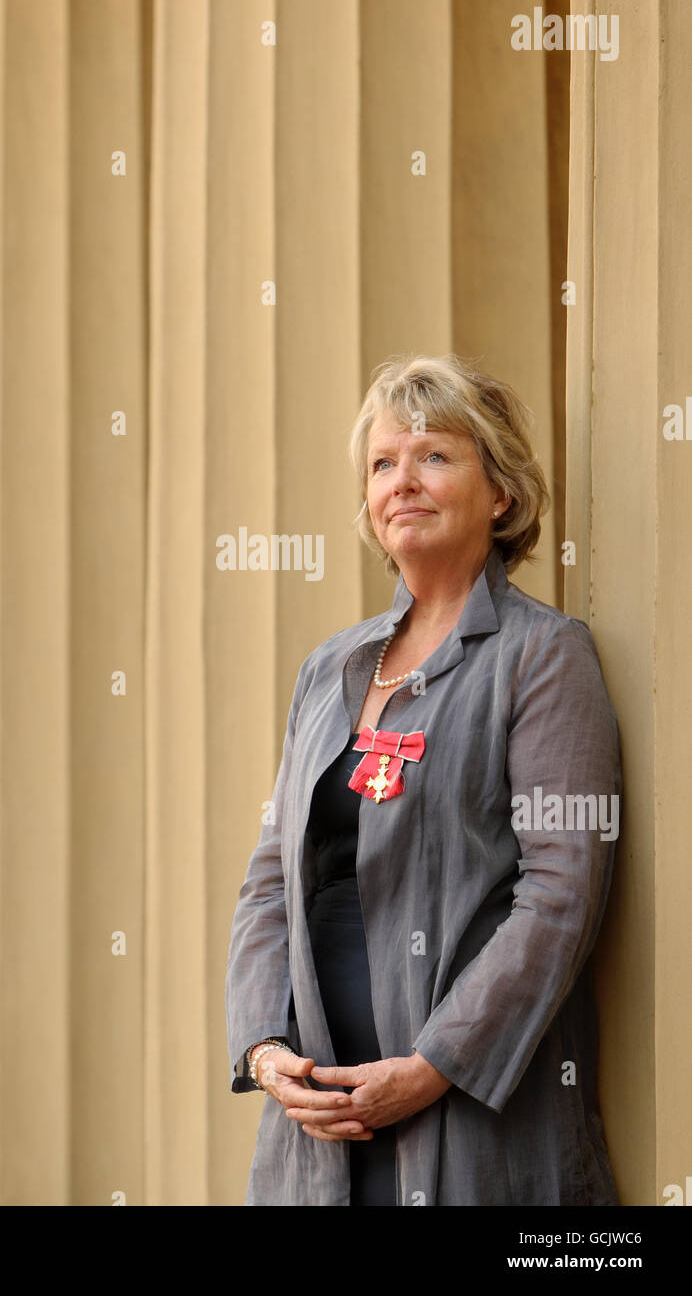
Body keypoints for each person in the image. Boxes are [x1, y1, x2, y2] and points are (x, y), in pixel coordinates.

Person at [225, 352, 622, 1207]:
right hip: (319, 1130)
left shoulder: (542, 656)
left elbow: (561, 892)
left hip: (473, 1120)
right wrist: (264, 1052)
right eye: (382, 463)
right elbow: (268, 883)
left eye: (435, 455)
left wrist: (434, 1066)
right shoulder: (328, 668)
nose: (403, 479)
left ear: (502, 492)